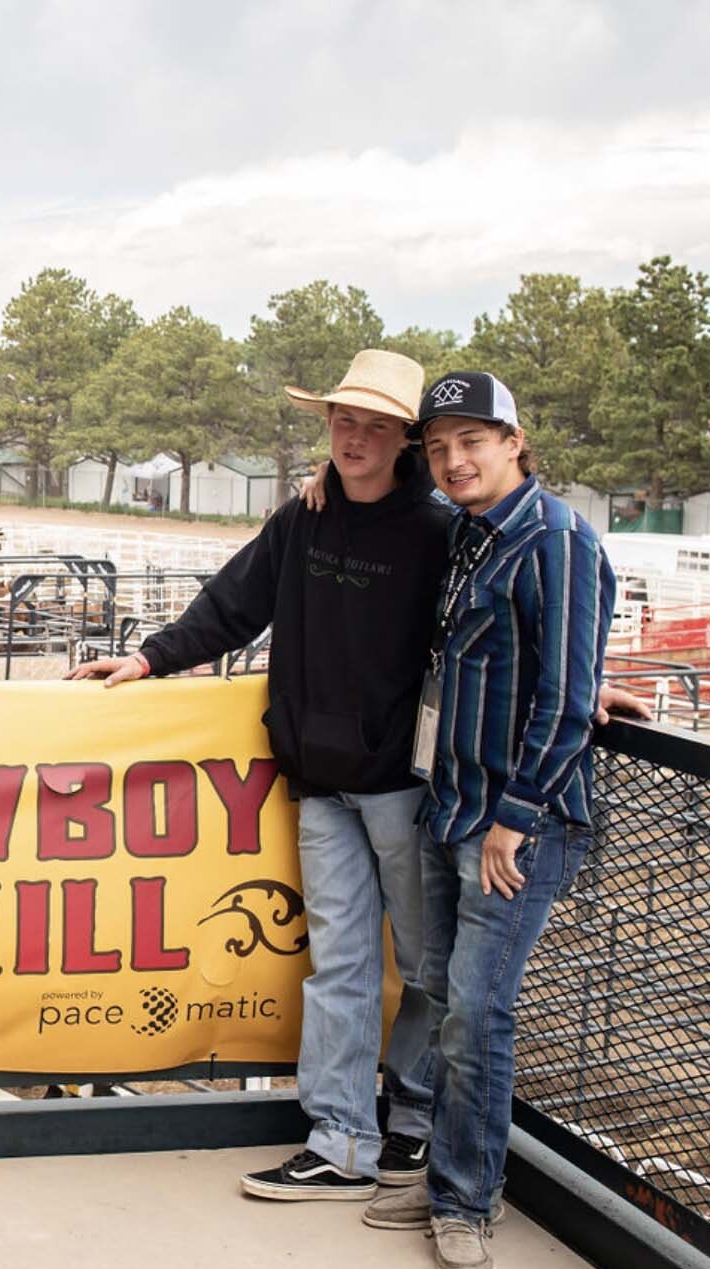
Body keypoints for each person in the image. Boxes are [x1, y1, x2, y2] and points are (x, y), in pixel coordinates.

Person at [71, 349, 449, 1201]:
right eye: (343, 421)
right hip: (319, 781)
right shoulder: (302, 519)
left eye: (374, 426)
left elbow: (499, 618)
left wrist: (583, 683)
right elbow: (234, 602)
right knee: (343, 963)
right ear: (328, 427)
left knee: (430, 965)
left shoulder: (438, 532)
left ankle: (418, 1121)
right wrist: (149, 658)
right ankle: (343, 1140)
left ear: (404, 440)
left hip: (403, 786)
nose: (354, 438)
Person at [359, 372, 615, 1269]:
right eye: (439, 448)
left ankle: (466, 1200)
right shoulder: (471, 533)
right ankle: (433, 1173)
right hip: (452, 799)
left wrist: (518, 814)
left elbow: (567, 697)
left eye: (473, 440)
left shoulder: (556, 541)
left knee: (477, 1009)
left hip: (512, 823)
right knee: (432, 989)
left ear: (515, 441)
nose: (455, 460)